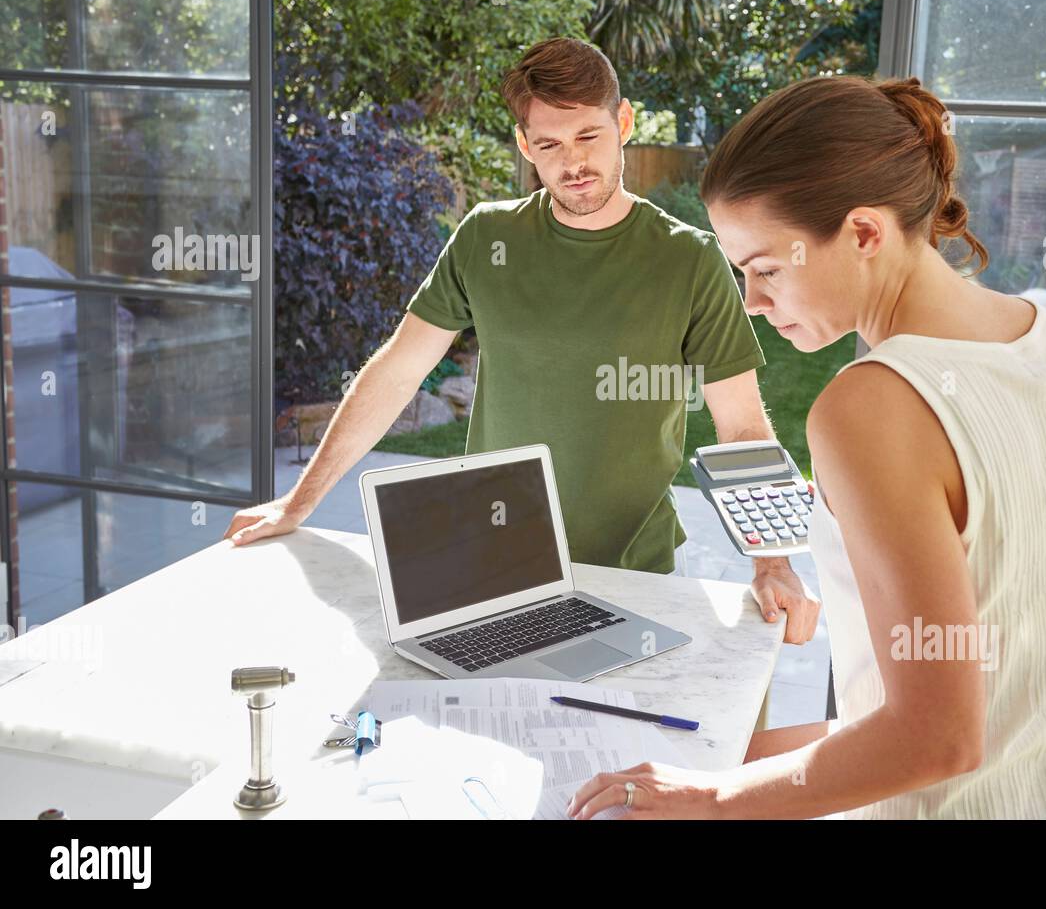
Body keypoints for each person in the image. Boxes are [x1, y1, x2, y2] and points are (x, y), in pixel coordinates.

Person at [567, 75, 1046, 819]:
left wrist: (713, 799)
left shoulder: (870, 406)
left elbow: (937, 741)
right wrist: (733, 758)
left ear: (865, 233)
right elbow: (1004, 666)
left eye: (767, 269)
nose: (754, 304)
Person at [222, 37, 819, 644]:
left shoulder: (688, 258)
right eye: (550, 145)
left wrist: (774, 565)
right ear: (524, 145)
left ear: (624, 123)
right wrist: (297, 502)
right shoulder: (487, 238)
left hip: (636, 575)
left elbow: (742, 424)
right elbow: (397, 370)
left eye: (589, 136)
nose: (573, 163)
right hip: (492, 564)